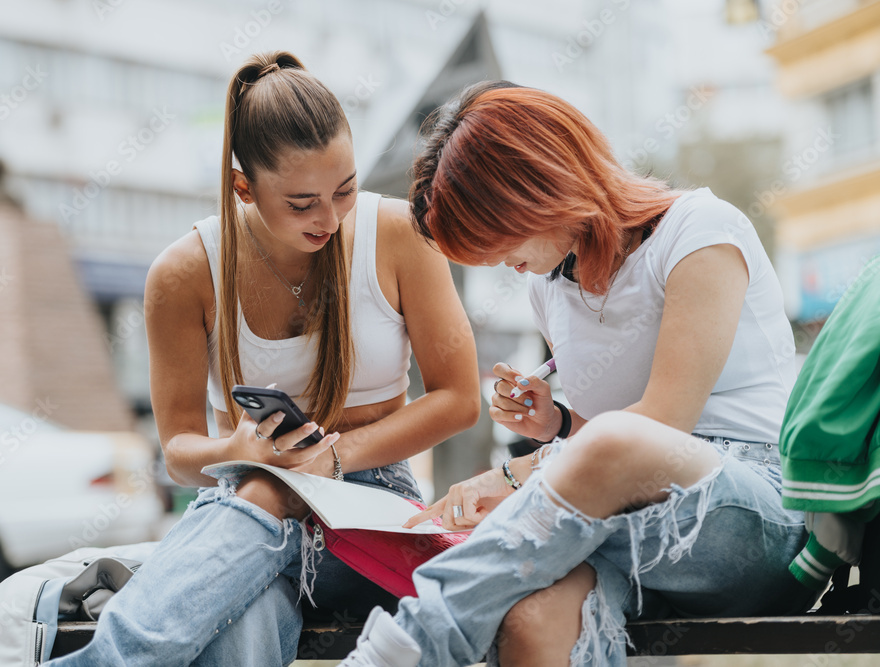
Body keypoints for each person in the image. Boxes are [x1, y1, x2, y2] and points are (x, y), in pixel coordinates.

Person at [340, 82, 819, 667]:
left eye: (498, 239)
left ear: (541, 188)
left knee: (620, 443)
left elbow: (659, 431)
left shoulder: (700, 232)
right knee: (533, 621)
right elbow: (612, 451)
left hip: (752, 516)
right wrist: (562, 422)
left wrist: (517, 476)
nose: (500, 263)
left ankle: (406, 643)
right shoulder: (548, 287)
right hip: (621, 530)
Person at [45, 51, 480, 667]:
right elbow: (180, 453)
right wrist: (238, 454)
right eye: (302, 203)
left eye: (346, 189)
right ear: (242, 186)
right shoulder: (184, 273)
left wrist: (331, 457)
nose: (329, 218)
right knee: (245, 606)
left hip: (371, 508)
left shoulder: (401, 236)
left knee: (263, 505)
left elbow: (460, 399)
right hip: (244, 510)